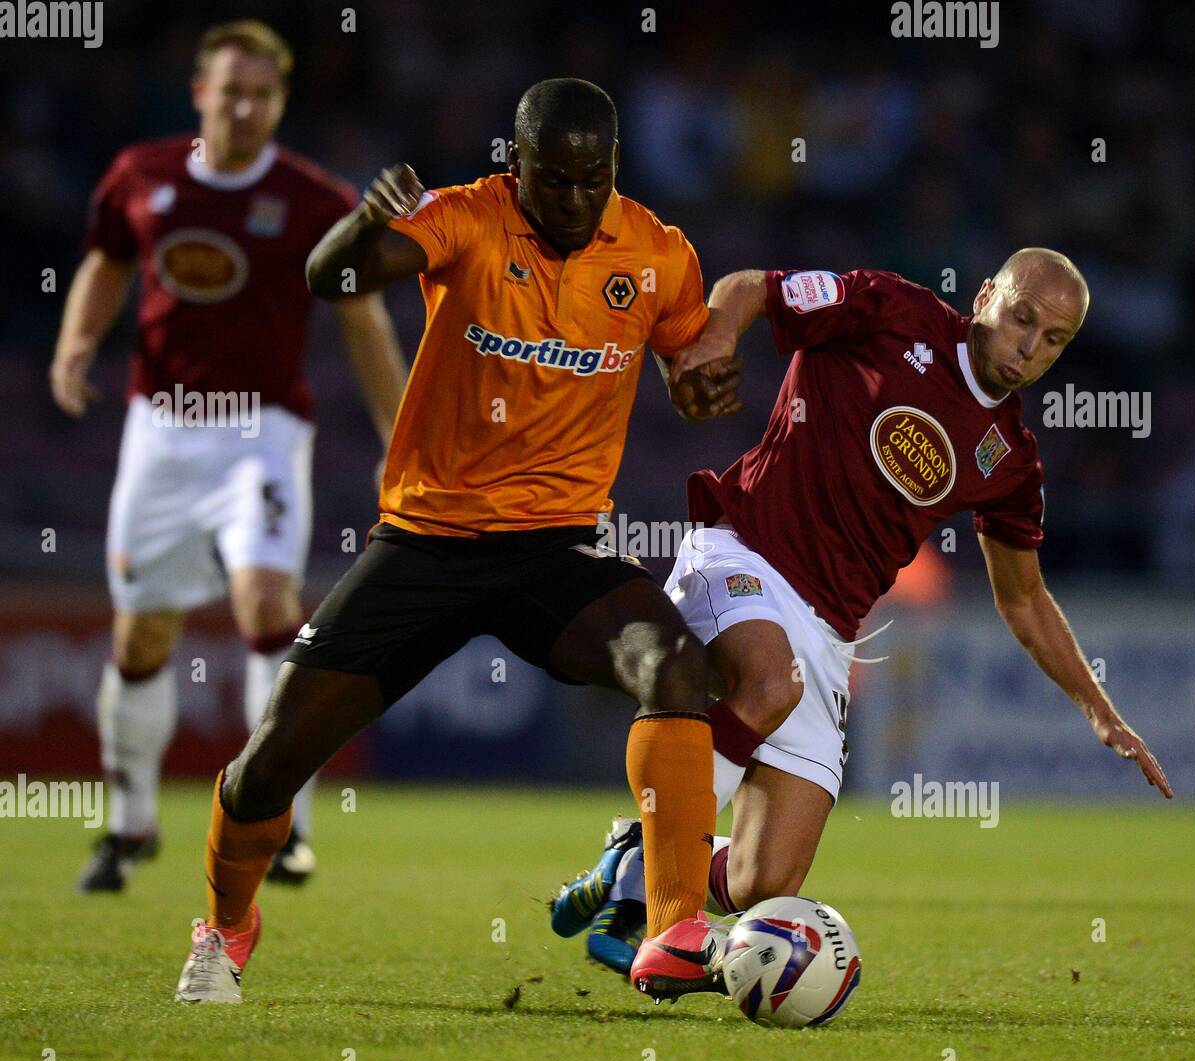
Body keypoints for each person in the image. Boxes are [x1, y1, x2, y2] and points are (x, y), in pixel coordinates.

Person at [175, 77, 745, 1004]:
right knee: (267, 764)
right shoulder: (465, 219)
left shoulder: (656, 252)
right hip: (426, 543)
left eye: (591, 179)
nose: (571, 198)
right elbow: (332, 278)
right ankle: (225, 929)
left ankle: (674, 927)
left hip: (554, 549)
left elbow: (691, 353)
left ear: (614, 171)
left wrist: (699, 383)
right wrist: (365, 224)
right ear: (513, 166)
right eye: (552, 179)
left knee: (675, 665)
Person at [549, 251, 1172, 999]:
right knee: (768, 682)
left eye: (1053, 340)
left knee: (761, 881)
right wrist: (714, 343)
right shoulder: (889, 309)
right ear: (985, 296)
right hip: (741, 549)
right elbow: (749, 290)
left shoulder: (1011, 460)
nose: (1028, 348)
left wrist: (1099, 712)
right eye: (1021, 319)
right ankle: (660, 907)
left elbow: (1024, 600)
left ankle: (633, 861)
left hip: (831, 627)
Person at [50, 20, 407, 893]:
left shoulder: (315, 201)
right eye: (230, 90)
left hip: (263, 433)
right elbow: (105, 261)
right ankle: (129, 823)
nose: (244, 107)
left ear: (280, 102)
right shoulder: (144, 176)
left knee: (266, 604)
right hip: (161, 432)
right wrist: (74, 346)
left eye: (262, 93)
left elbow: (362, 319)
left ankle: (283, 823)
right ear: (200, 91)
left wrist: (402, 438)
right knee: (143, 633)